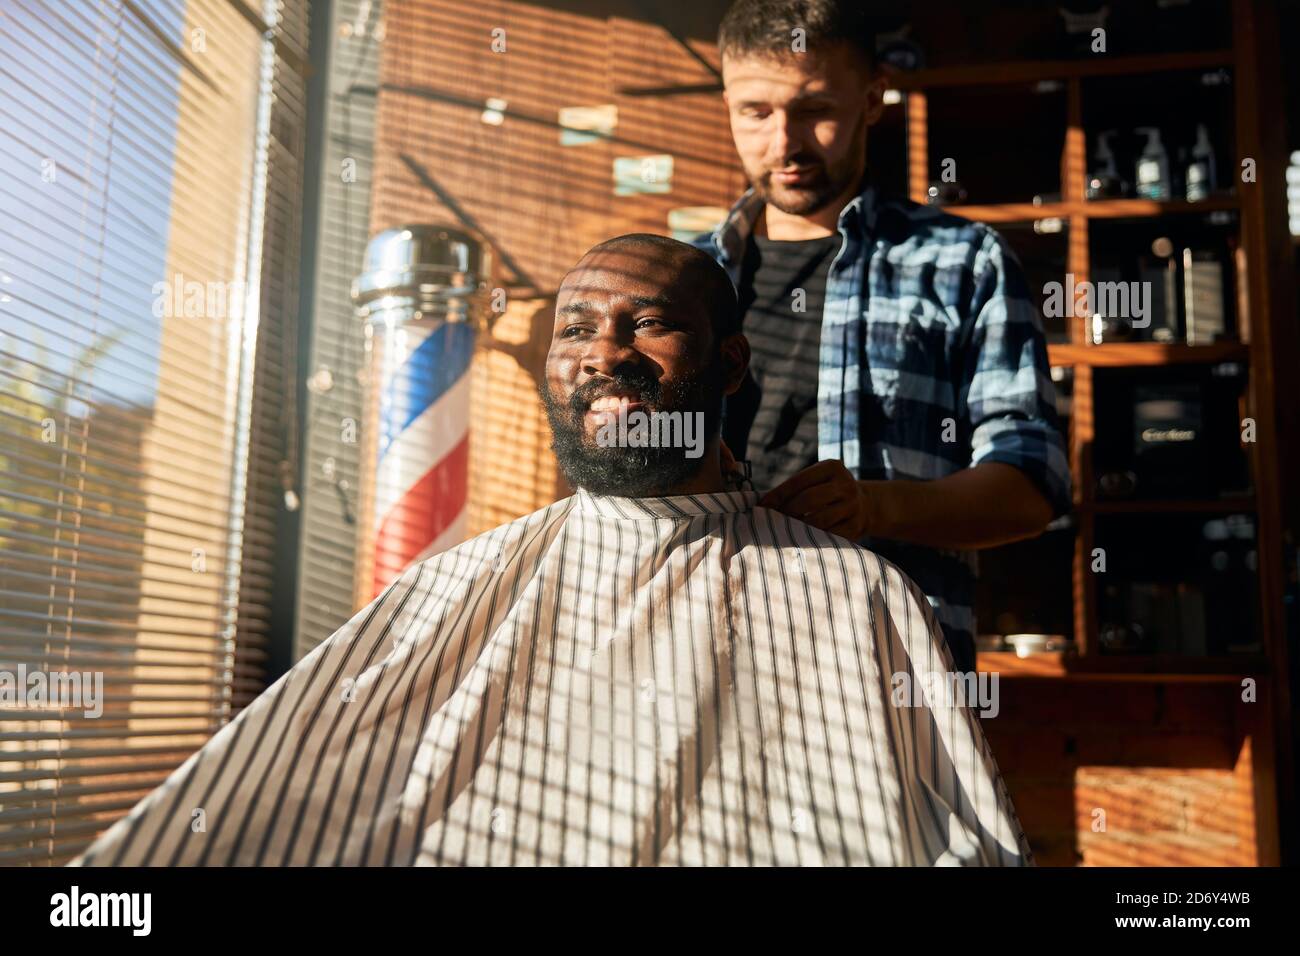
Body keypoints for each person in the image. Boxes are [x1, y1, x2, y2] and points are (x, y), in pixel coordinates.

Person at [71, 235, 1030, 867]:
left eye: (648, 324)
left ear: (730, 364)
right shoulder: (455, 588)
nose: (605, 354)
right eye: (575, 331)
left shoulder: (849, 593)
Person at [695, 0, 1071, 674]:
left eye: (815, 110)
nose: (785, 143)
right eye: (755, 112)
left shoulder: (963, 261)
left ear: (873, 99)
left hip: (883, 667)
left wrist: (872, 505)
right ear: (726, 103)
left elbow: (1029, 489)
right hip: (699, 656)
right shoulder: (683, 277)